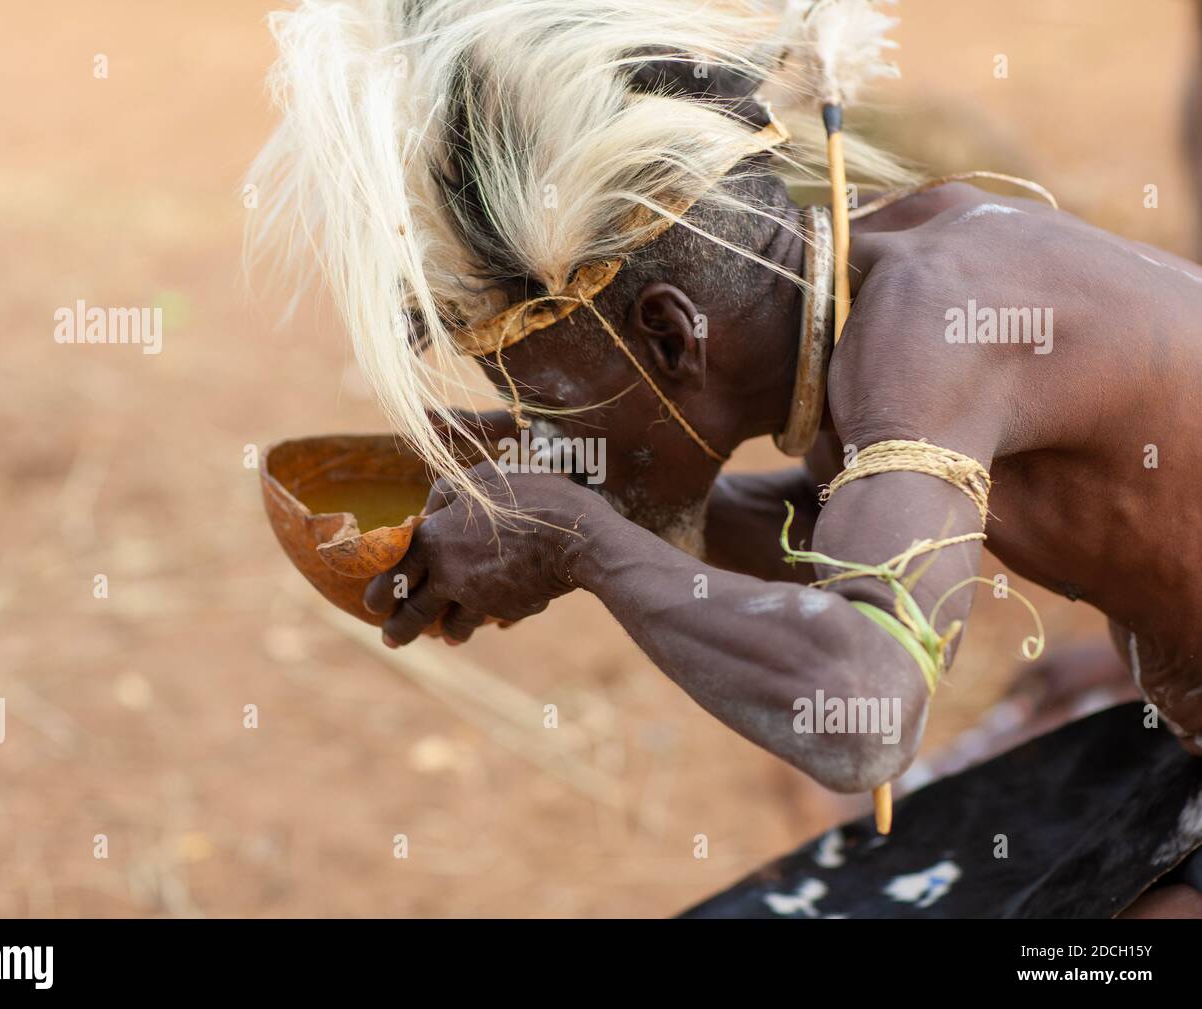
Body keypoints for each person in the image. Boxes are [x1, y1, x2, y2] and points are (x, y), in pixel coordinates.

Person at [252, 0, 1202, 915]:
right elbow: (839, 543)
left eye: (550, 400)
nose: (546, 431)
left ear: (671, 336)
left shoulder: (935, 328)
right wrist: (557, 492)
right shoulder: (860, 290)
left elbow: (864, 712)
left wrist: (582, 539)